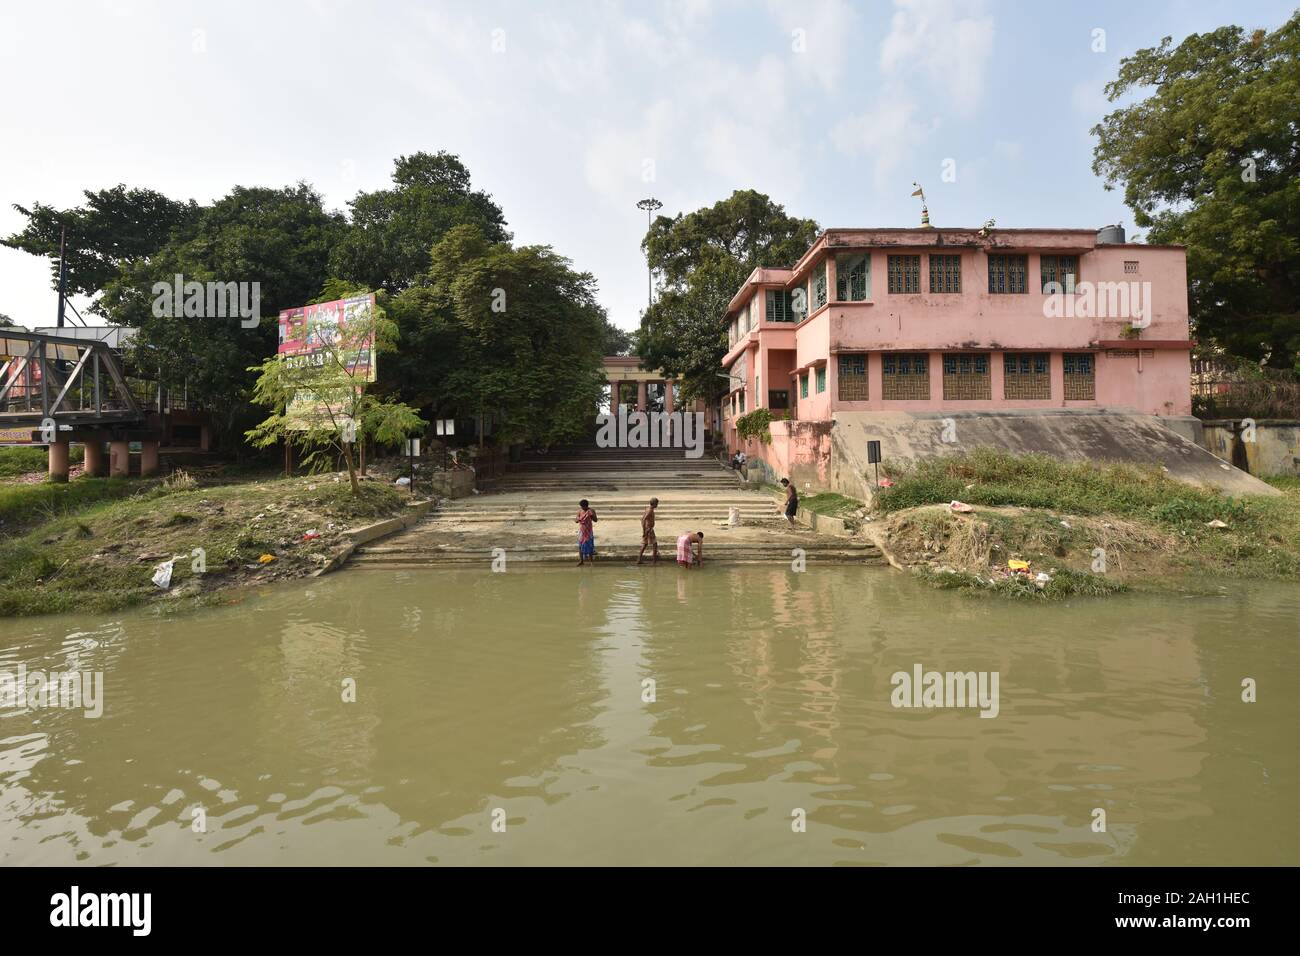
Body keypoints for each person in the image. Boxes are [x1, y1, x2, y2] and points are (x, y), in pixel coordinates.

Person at [575, 499, 598, 566]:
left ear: (586, 506)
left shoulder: (591, 510)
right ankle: (581, 561)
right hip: (582, 531)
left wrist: (591, 515)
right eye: (581, 506)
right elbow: (575, 520)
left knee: (590, 546)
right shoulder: (580, 511)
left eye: (583, 506)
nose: (582, 508)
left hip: (589, 531)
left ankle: (591, 562)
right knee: (580, 546)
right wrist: (578, 519)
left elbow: (596, 520)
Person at [638, 497, 660, 565]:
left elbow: (642, 519)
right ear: (654, 504)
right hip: (649, 530)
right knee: (655, 544)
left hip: (648, 529)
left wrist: (644, 530)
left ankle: (639, 560)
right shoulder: (650, 510)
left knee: (645, 544)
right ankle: (654, 562)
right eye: (657, 504)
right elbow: (644, 519)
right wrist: (645, 531)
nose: (657, 505)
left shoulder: (648, 509)